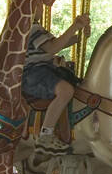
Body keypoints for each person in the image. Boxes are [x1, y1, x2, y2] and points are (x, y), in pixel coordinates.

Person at [21, 14, 89, 154]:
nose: (41, 4)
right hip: (34, 73)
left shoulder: (33, 27)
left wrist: (79, 38)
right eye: (38, 0)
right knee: (66, 91)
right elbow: (53, 48)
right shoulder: (33, 28)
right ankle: (46, 135)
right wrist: (75, 26)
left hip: (44, 70)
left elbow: (57, 44)